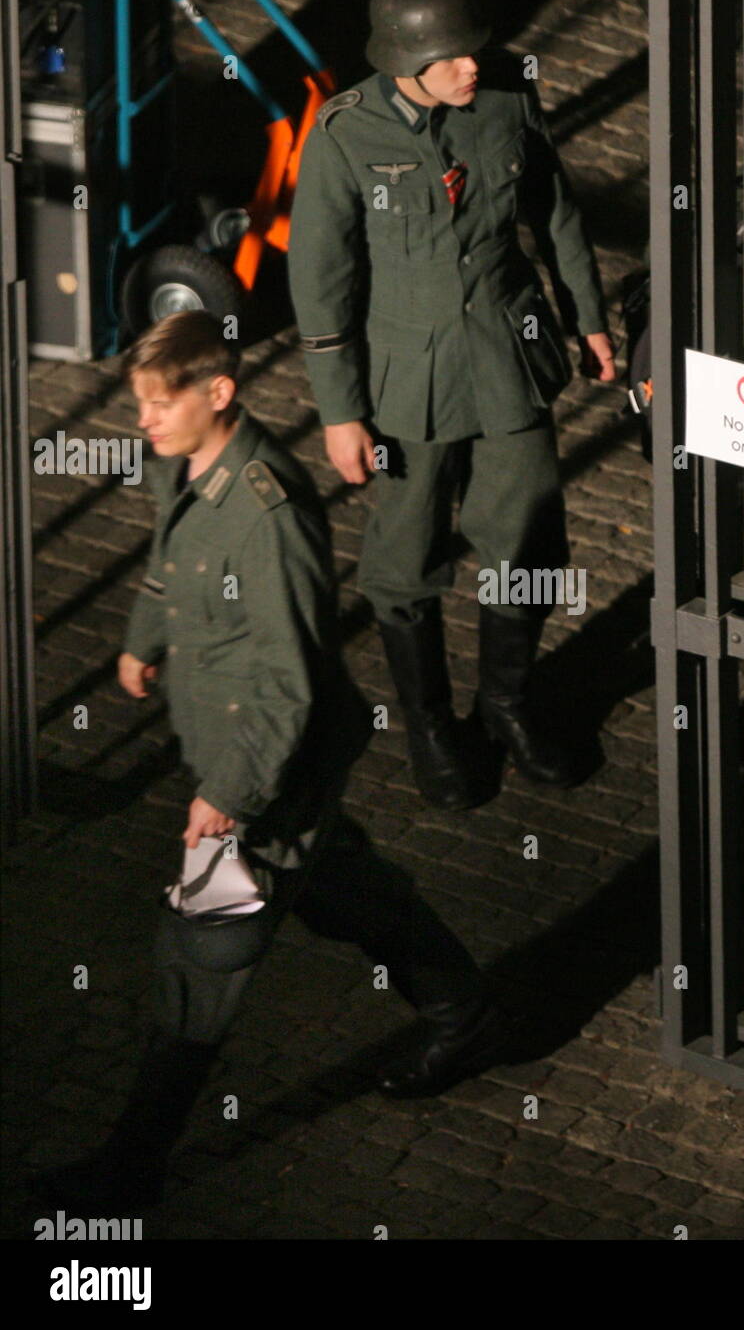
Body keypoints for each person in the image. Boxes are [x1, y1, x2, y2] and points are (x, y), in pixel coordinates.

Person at [39, 311, 508, 1215]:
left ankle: (125, 1179)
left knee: (199, 966)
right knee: (340, 886)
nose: (142, 421)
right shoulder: (188, 468)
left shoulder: (267, 510)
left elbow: (290, 678)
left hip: (268, 773)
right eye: (138, 405)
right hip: (253, 761)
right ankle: (466, 1014)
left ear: (219, 393)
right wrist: (141, 640)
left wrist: (229, 794)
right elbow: (170, 566)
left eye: (157, 403)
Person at [288, 0, 616, 810]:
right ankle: (430, 725)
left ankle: (505, 704)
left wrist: (589, 319)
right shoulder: (343, 134)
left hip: (509, 356)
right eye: (455, 57)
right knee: (403, 564)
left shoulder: (506, 96)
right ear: (407, 62)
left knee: (529, 536)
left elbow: (553, 213)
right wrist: (341, 412)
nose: (475, 65)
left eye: (475, 49)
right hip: (407, 384)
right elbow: (321, 281)